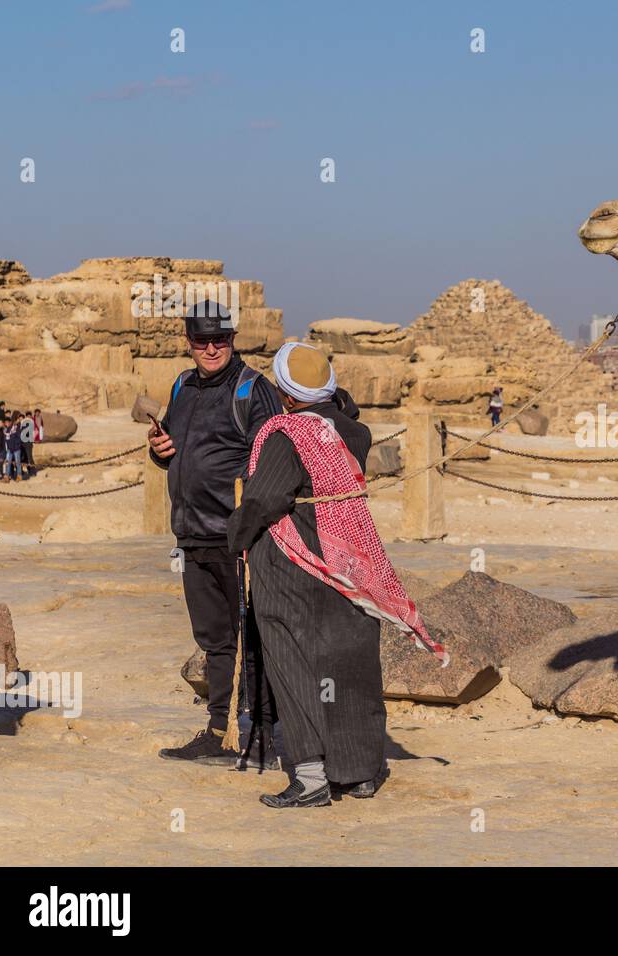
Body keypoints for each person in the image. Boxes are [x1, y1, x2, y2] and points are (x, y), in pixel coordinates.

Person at [227, 343, 445, 809]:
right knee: (349, 663)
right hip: (348, 562)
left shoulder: (285, 433)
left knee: (294, 664)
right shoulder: (353, 431)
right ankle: (359, 770)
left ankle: (309, 777)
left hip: (293, 567)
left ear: (286, 395)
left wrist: (235, 536)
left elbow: (265, 500)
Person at [149, 300, 282, 768]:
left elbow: (269, 458)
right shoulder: (182, 385)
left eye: (220, 340)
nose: (211, 348)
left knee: (255, 634)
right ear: (188, 343)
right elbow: (176, 452)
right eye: (202, 341)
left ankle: (263, 730)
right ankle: (218, 730)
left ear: (232, 340)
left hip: (236, 535)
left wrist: (247, 524)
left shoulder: (253, 389)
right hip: (191, 533)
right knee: (215, 638)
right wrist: (160, 451)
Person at [1, 413, 26, 481]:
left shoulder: (15, 428)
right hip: (9, 449)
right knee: (8, 463)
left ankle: (19, 475)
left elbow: (19, 437)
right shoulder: (5, 431)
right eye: (5, 422)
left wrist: (17, 445)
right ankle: (7, 476)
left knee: (18, 463)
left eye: (8, 422)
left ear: (10, 422)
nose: (7, 424)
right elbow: (5, 441)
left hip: (16, 449)